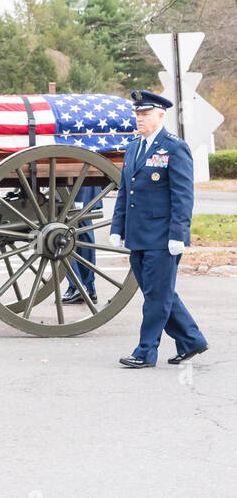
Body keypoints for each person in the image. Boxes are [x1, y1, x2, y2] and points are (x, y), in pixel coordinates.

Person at [112, 89, 208, 368]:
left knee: (156, 297)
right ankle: (191, 339)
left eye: (145, 114)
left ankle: (145, 351)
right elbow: (124, 193)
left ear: (160, 115)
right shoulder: (133, 147)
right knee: (160, 294)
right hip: (138, 236)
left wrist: (179, 234)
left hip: (163, 238)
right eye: (137, 114)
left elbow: (182, 196)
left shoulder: (174, 147)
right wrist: (118, 228)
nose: (139, 119)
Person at [61, 184, 99, 305]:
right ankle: (87, 287)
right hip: (80, 179)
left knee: (67, 227)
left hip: (75, 181)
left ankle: (79, 286)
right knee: (81, 227)